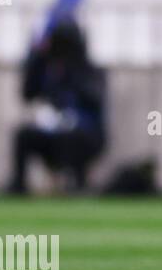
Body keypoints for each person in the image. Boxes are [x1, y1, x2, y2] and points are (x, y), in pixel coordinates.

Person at [7, 16, 107, 194]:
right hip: (52, 131)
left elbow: (95, 100)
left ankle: (77, 185)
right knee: (23, 135)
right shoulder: (48, 70)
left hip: (84, 133)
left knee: (72, 138)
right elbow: (27, 94)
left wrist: (71, 76)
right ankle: (18, 186)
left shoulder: (90, 71)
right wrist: (37, 59)